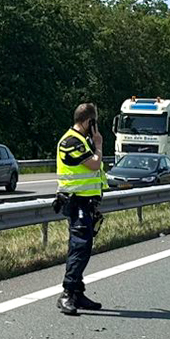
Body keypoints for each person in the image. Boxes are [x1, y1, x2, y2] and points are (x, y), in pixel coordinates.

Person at [56, 102, 107, 316]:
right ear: (89, 121)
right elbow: (94, 164)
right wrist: (98, 144)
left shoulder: (81, 141)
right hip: (75, 201)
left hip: (84, 202)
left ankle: (77, 292)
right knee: (80, 246)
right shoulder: (71, 141)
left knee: (82, 246)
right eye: (93, 122)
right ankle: (67, 293)